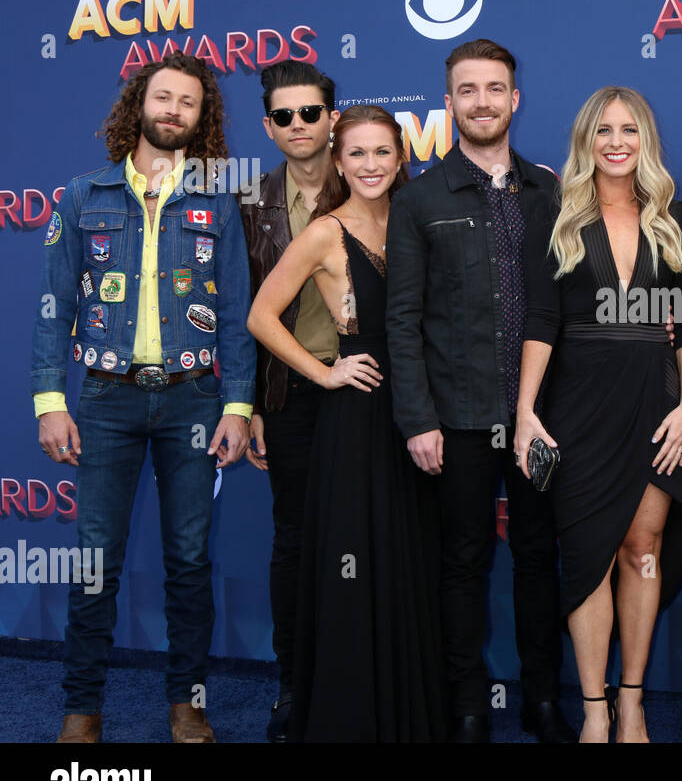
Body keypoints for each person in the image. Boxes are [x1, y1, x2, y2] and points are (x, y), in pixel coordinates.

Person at [31, 53, 255, 743]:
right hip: (104, 401)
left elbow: (238, 314)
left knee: (189, 563)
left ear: (202, 117)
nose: (173, 110)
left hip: (194, 402)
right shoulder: (82, 196)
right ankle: (82, 709)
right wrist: (49, 400)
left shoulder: (219, 203)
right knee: (95, 562)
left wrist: (238, 407)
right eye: (163, 97)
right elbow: (54, 309)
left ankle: (187, 705)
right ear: (139, 103)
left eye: (188, 102)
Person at [387, 39, 574, 744]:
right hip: (455, 420)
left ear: (515, 99)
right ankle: (465, 706)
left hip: (542, 418)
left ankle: (544, 702)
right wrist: (416, 420)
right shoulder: (419, 199)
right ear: (449, 102)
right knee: (462, 564)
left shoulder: (552, 191)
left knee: (538, 558)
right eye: (468, 90)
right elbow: (401, 320)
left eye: (495, 89)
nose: (483, 102)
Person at [247, 105, 444, 742]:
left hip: (417, 408)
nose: (370, 165)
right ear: (337, 161)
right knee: (353, 561)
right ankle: (351, 717)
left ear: (400, 158)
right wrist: (325, 372)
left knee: (408, 557)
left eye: (382, 153)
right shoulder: (326, 232)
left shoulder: (416, 218)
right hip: (356, 417)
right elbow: (262, 316)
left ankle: (407, 711)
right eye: (356, 154)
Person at [514, 86, 682, 743]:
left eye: (628, 129)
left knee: (642, 547)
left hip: (655, 399)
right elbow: (540, 322)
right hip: (577, 404)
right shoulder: (557, 217)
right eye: (603, 130)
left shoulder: (675, 215)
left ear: (645, 139)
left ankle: (634, 702)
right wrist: (526, 412)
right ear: (586, 141)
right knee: (589, 554)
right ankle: (594, 709)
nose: (616, 142)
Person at [239, 59, 341, 741]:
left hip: (370, 389)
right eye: (285, 116)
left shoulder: (377, 179)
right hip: (288, 394)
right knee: (297, 545)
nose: (299, 125)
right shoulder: (248, 200)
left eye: (310, 113)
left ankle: (361, 679)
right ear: (268, 126)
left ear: (332, 117)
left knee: (374, 541)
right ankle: (292, 685)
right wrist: (246, 405)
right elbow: (234, 309)